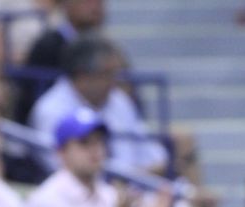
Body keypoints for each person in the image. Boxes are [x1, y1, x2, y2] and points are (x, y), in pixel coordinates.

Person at [26, 107, 173, 207]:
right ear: (61, 152)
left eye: (99, 141)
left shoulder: (112, 196)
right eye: (84, 142)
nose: (95, 149)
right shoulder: (46, 200)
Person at [29, 35, 169, 175]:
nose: (114, 82)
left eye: (115, 74)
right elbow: (61, 170)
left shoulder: (119, 100)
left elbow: (155, 157)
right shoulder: (50, 110)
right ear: (82, 76)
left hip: (136, 189)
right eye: (107, 74)